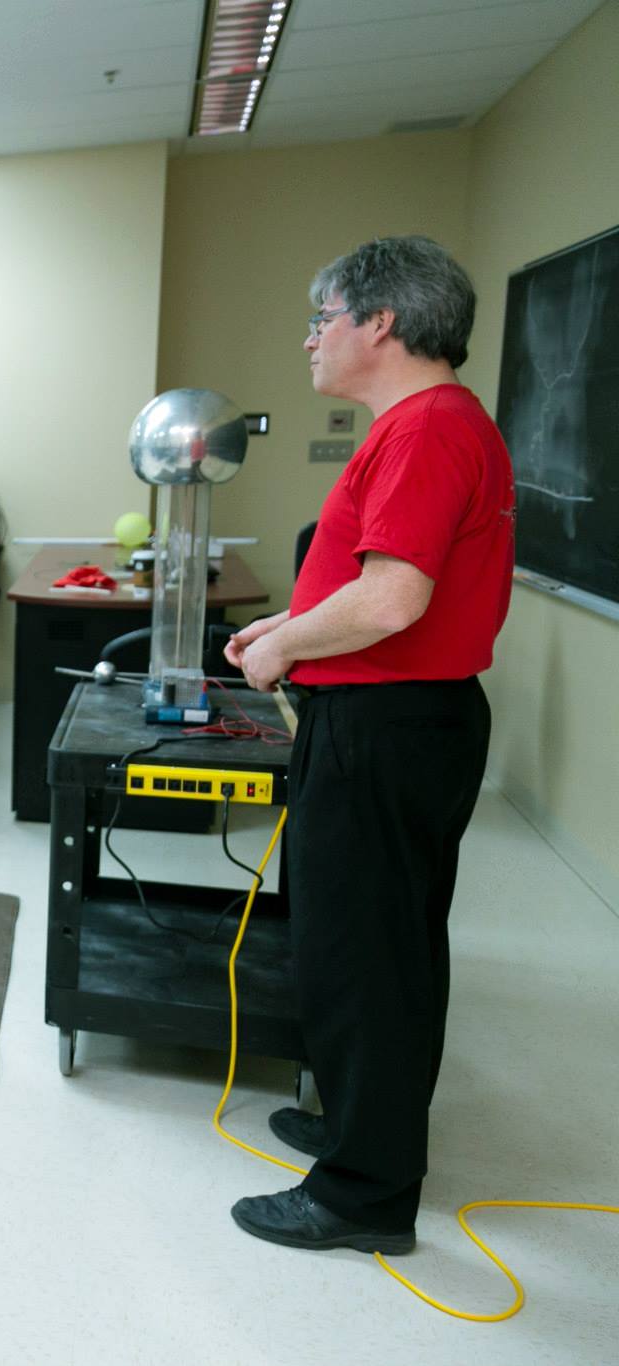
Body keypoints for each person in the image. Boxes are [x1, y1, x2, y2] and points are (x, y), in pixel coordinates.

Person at [223, 236, 514, 1256]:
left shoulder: (425, 429)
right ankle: (357, 1125)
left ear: (378, 321)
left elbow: (392, 598)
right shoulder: (425, 425)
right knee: (365, 948)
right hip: (391, 717)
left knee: (367, 959)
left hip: (387, 725)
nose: (309, 337)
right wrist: (287, 634)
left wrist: (278, 650)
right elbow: (373, 586)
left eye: (321, 317)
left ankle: (361, 1192)